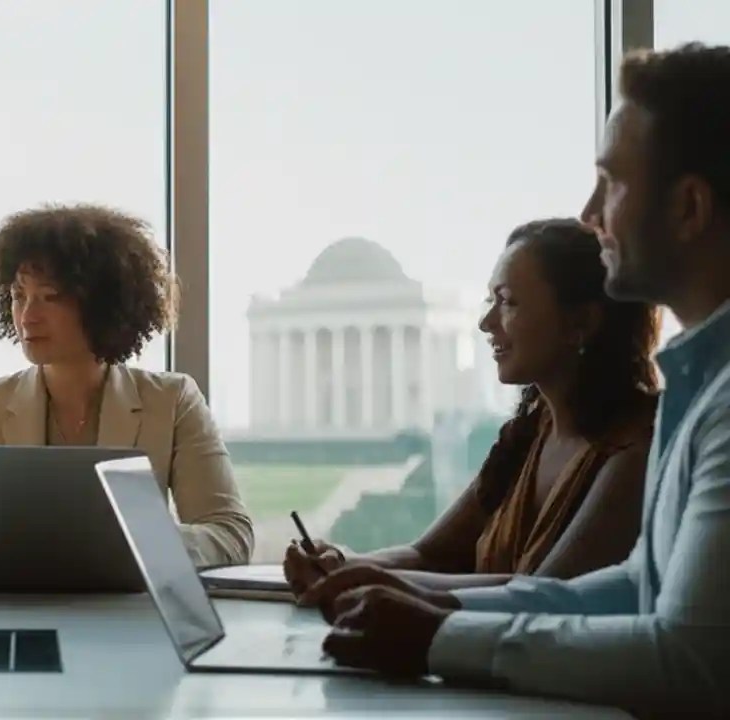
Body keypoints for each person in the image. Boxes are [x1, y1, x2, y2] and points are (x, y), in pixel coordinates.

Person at [309, 43, 730, 717]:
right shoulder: (698, 385)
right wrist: (432, 606)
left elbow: (694, 660)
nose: (592, 215)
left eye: (612, 182)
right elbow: (630, 587)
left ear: (689, 207)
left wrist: (439, 631)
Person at [284, 219, 659, 600]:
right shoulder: (528, 434)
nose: (485, 322)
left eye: (508, 301)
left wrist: (368, 579)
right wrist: (341, 564)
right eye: (490, 300)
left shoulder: (635, 448)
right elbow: (427, 554)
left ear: (581, 323)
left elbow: (544, 596)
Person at [0, 203, 254, 574]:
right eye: (18, 295)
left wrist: (133, 547)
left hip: (127, 623)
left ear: (103, 303)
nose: (27, 316)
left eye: (51, 296)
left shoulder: (173, 402)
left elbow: (229, 534)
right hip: (10, 619)